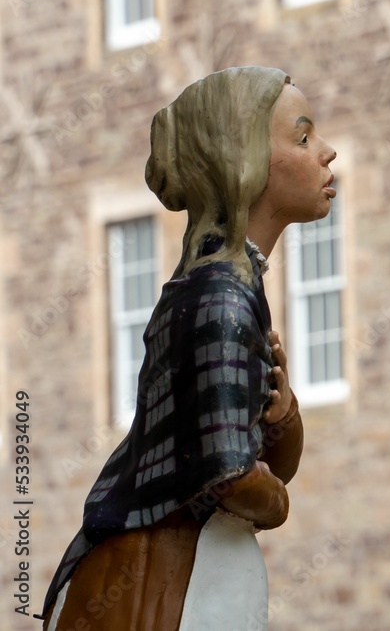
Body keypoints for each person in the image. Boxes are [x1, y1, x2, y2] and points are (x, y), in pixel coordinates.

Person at [39, 66, 338, 630]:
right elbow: (232, 474)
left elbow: (262, 458)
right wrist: (277, 500)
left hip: (199, 566)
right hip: (162, 574)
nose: (327, 152)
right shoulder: (219, 298)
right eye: (302, 137)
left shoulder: (234, 288)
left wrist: (283, 417)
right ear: (245, 163)